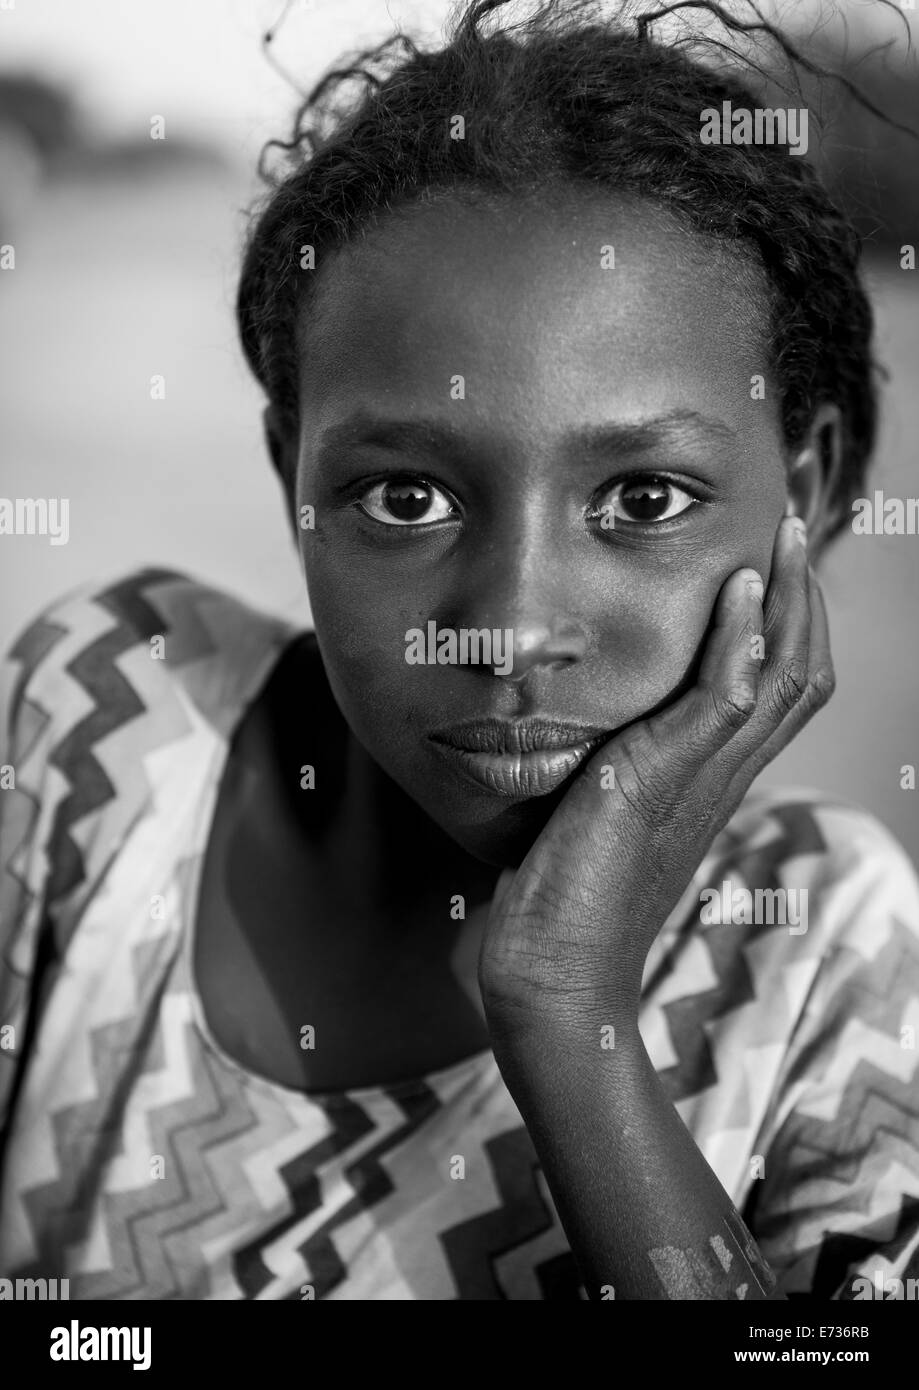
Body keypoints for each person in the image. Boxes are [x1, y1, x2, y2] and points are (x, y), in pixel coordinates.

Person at [1, 0, 917, 1301]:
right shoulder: (106, 721)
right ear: (293, 479)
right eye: (408, 498)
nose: (512, 626)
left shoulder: (824, 941)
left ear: (809, 492)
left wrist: (569, 1007)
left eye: (642, 500)